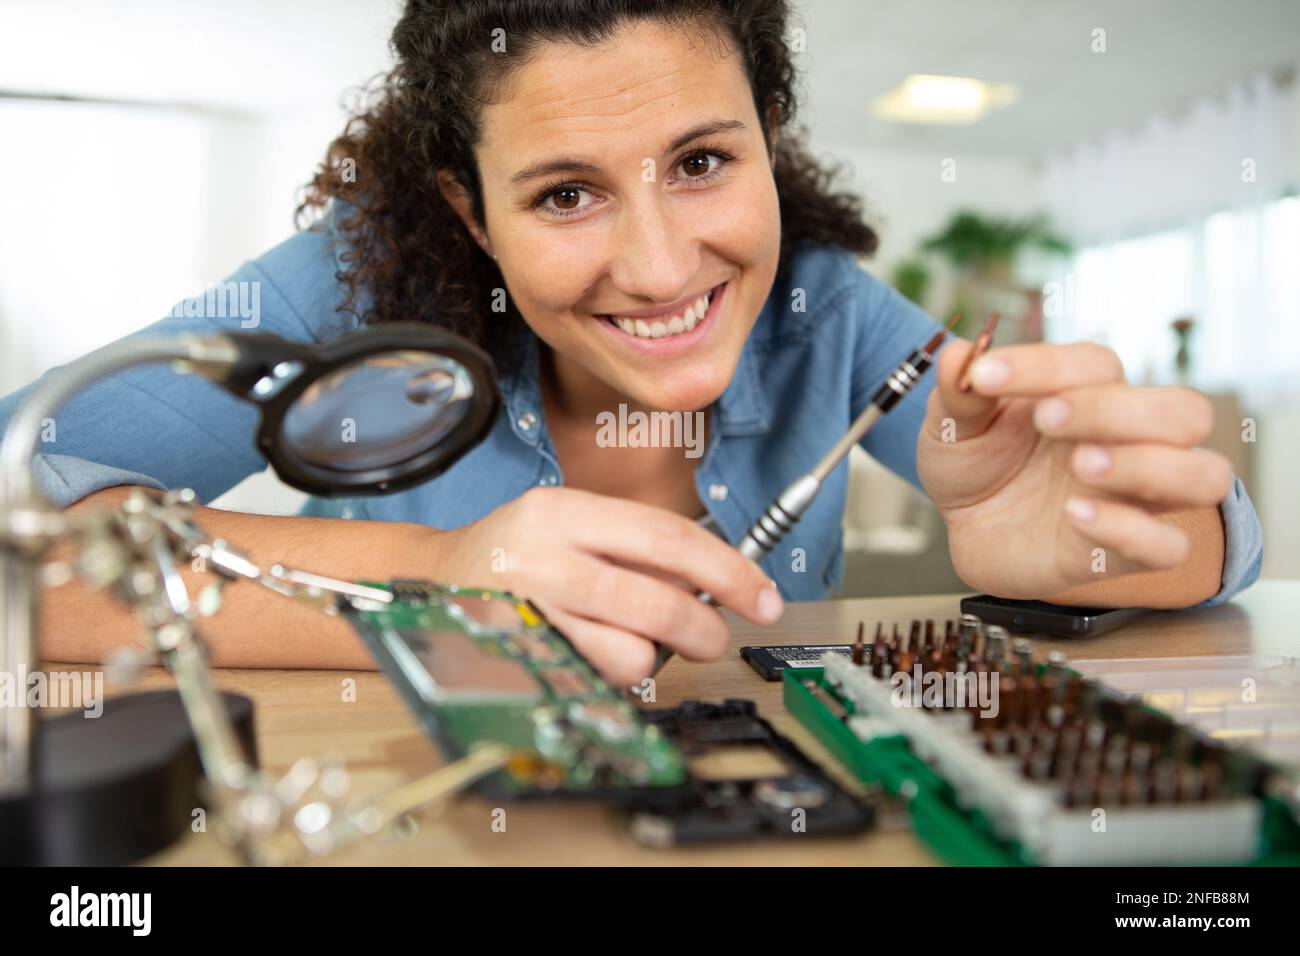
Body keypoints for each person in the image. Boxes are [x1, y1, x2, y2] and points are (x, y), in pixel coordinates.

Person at [0, 0, 1261, 686]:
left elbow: (1219, 550)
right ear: (465, 205)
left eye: (704, 161)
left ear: (768, 133)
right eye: (562, 194)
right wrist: (439, 582)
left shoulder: (826, 306)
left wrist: (1076, 544)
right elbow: (19, 516)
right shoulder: (348, 280)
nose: (661, 268)